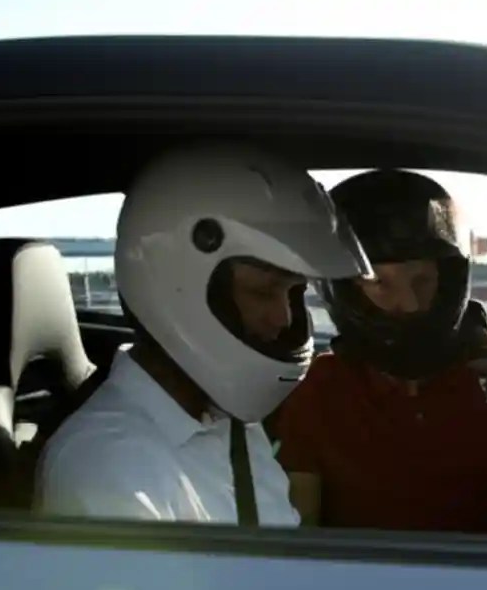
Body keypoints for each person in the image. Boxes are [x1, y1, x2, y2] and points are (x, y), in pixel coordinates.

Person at [37, 145, 371, 525]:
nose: (284, 318)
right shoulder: (112, 469)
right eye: (263, 291)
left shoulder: (228, 423)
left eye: (294, 293)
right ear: (176, 285)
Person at [273, 169, 487, 537]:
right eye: (380, 284)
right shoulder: (322, 389)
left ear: (447, 280)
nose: (408, 304)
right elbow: (299, 544)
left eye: (423, 281)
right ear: (345, 289)